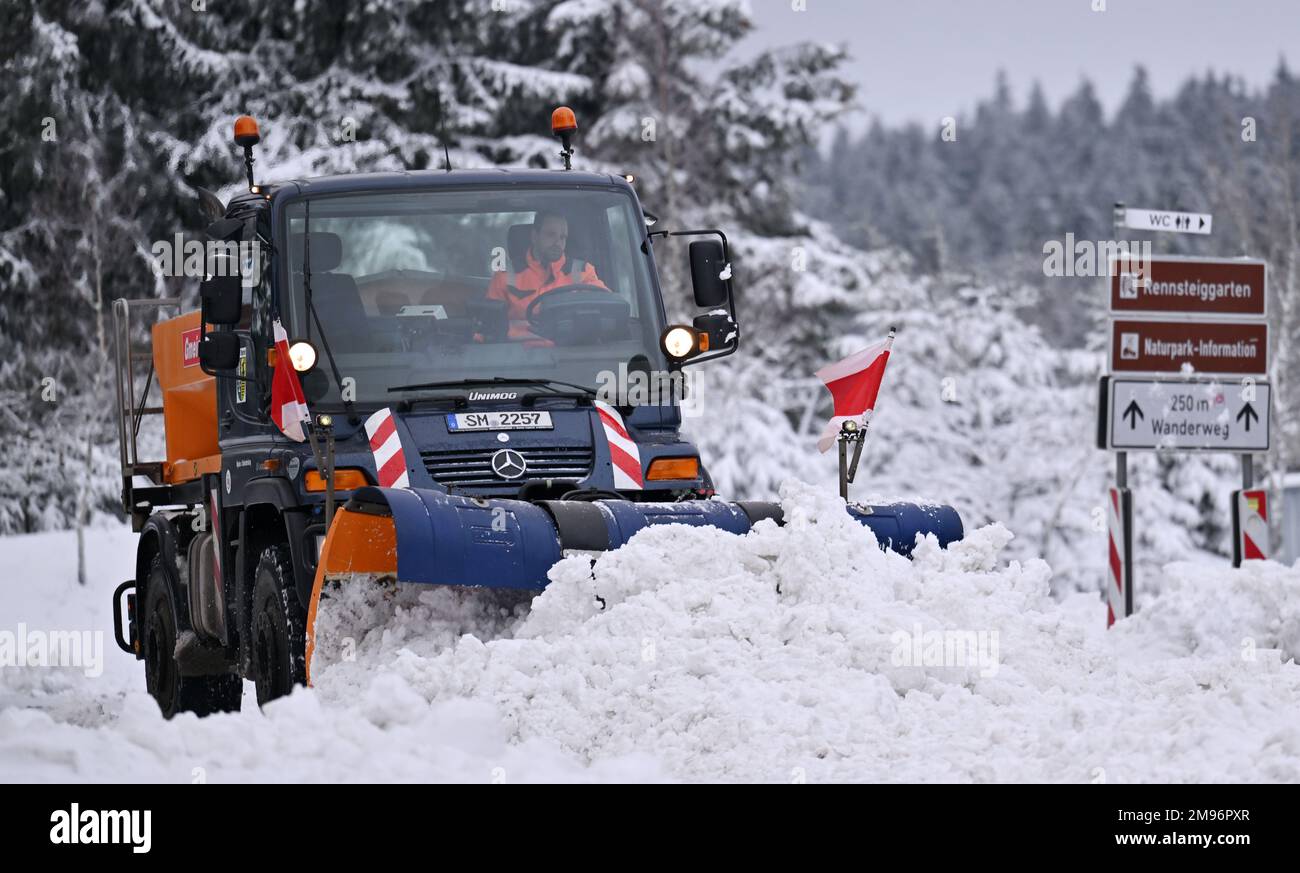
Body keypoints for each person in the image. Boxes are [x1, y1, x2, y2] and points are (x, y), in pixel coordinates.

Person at [486, 211, 607, 339]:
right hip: (518, 354)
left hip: (569, 353)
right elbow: (487, 329)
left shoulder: (584, 272)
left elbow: (607, 312)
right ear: (534, 236)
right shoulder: (504, 275)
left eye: (563, 237)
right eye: (551, 235)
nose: (558, 242)